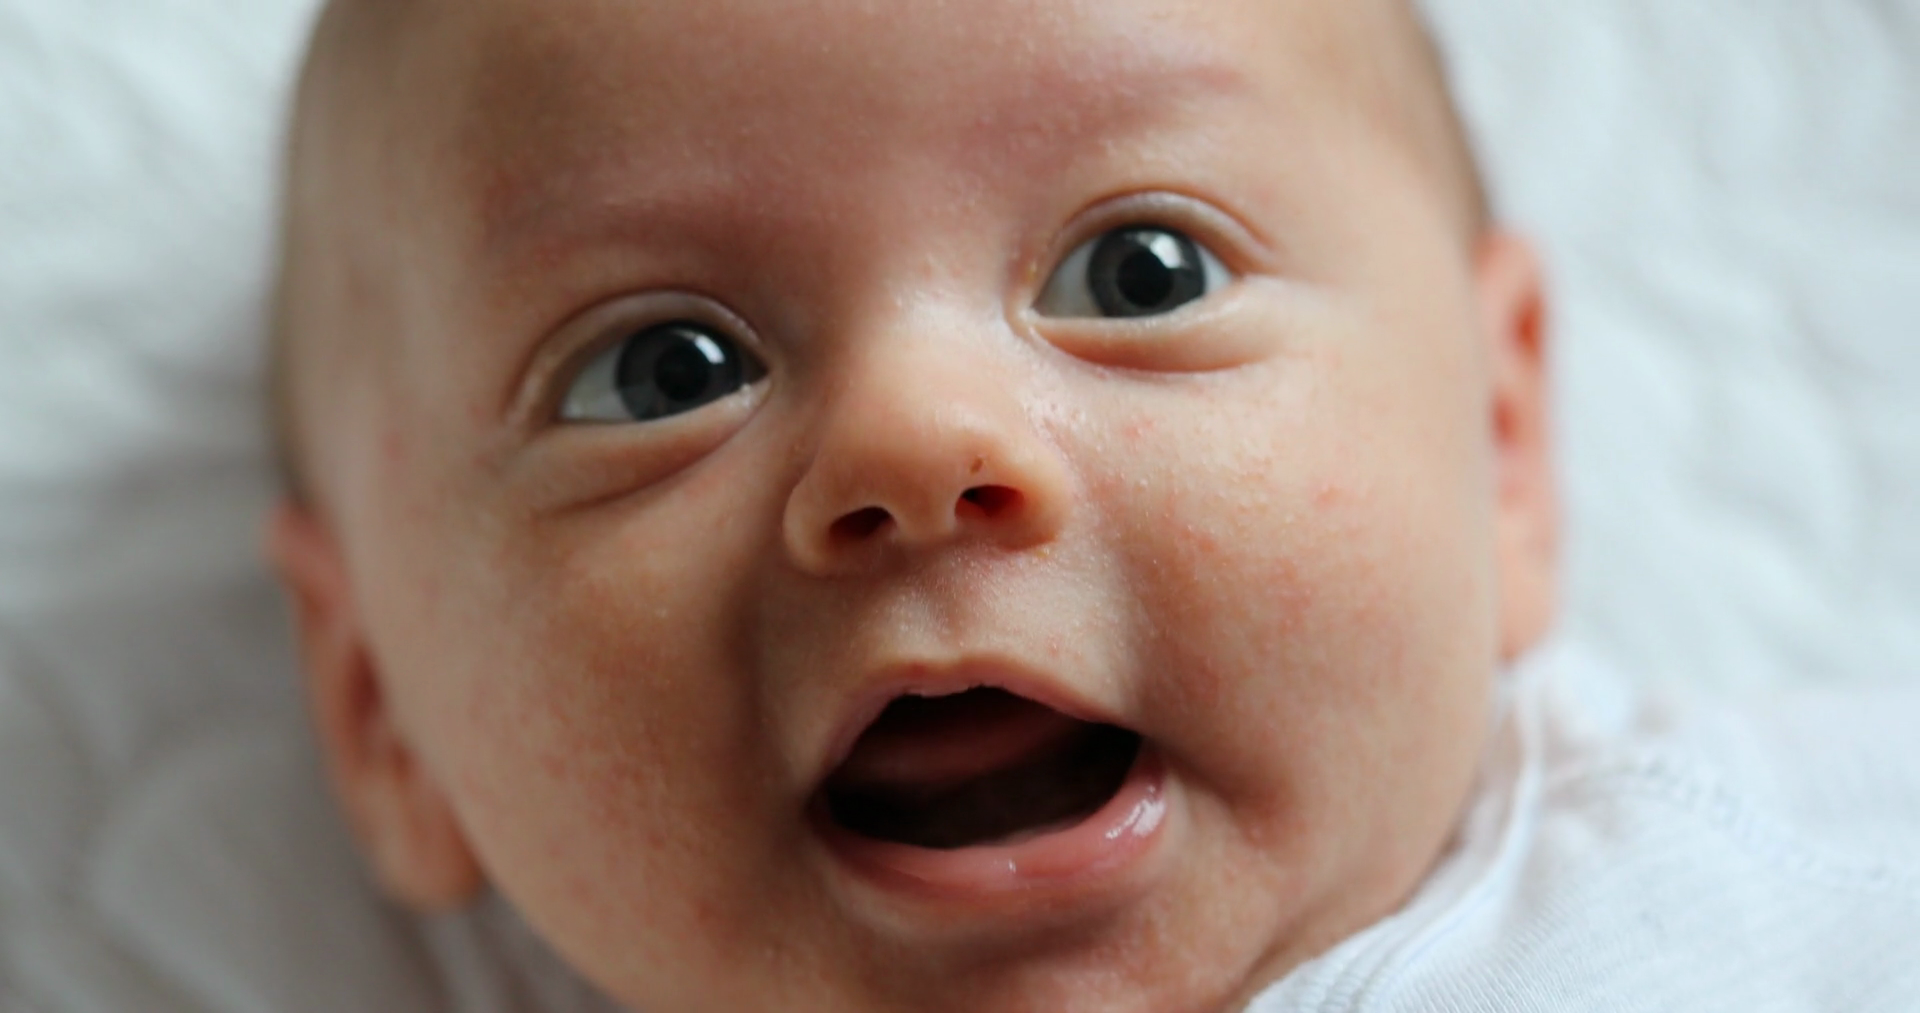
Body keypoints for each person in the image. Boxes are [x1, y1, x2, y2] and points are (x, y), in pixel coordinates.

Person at [263, 0, 1920, 1010]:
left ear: (1499, 447)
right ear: (383, 709)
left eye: (1143, 271)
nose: (915, 446)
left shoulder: (1791, 879)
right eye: (662, 372)